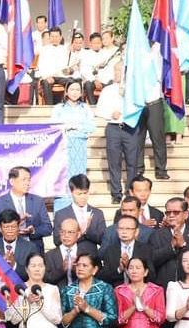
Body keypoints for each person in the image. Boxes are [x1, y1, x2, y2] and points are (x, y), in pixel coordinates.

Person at [96, 61, 139, 204]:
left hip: (130, 128)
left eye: (121, 71)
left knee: (132, 161)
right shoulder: (108, 90)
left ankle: (130, 191)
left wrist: (126, 97)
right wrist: (110, 114)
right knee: (114, 161)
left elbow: (140, 107)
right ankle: (116, 193)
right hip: (113, 128)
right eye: (116, 71)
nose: (118, 74)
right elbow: (99, 110)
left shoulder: (134, 89)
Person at [51, 80, 96, 210]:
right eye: (72, 89)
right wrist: (66, 127)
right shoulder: (59, 108)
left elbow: (91, 126)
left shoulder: (85, 108)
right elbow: (54, 126)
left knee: (78, 176)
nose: (75, 92)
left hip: (79, 145)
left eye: (77, 90)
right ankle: (61, 208)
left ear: (81, 92)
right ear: (66, 92)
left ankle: (78, 206)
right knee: (63, 175)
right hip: (63, 146)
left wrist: (75, 127)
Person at [148, 198, 189, 289]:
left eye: (176, 212)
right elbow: (151, 259)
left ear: (185, 215)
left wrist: (183, 244)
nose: (171, 215)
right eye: (168, 213)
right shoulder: (156, 235)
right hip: (164, 286)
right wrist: (171, 247)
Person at [0, 166, 54, 249]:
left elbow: (48, 228)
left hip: (33, 250)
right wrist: (10, 226)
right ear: (12, 181)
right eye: (24, 179)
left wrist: (33, 231)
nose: (27, 183)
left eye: (29, 179)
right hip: (8, 249)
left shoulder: (38, 201)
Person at [53, 174, 106, 250]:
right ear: (71, 193)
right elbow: (57, 241)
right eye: (79, 194)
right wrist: (80, 233)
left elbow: (104, 240)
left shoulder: (97, 213)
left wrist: (88, 231)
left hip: (91, 255)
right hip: (70, 256)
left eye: (85, 193)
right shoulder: (61, 214)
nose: (82, 197)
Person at [99, 215, 154, 287]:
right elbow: (104, 277)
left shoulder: (145, 249)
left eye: (128, 229)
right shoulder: (110, 250)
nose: (124, 232)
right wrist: (119, 269)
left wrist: (132, 268)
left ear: (136, 231)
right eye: (121, 228)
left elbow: (151, 275)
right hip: (116, 290)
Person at [0, 209, 38, 281]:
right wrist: (0, 266)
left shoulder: (30, 247)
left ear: (18, 227)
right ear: (0, 228)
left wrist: (14, 265)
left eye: (13, 227)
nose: (10, 231)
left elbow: (33, 274)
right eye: (6, 227)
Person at [43, 218, 96, 287]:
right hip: (58, 292)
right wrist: (62, 270)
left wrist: (76, 269)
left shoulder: (87, 253)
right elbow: (46, 279)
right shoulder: (49, 255)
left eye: (70, 232)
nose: (66, 235)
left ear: (78, 234)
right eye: (63, 232)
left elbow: (94, 276)